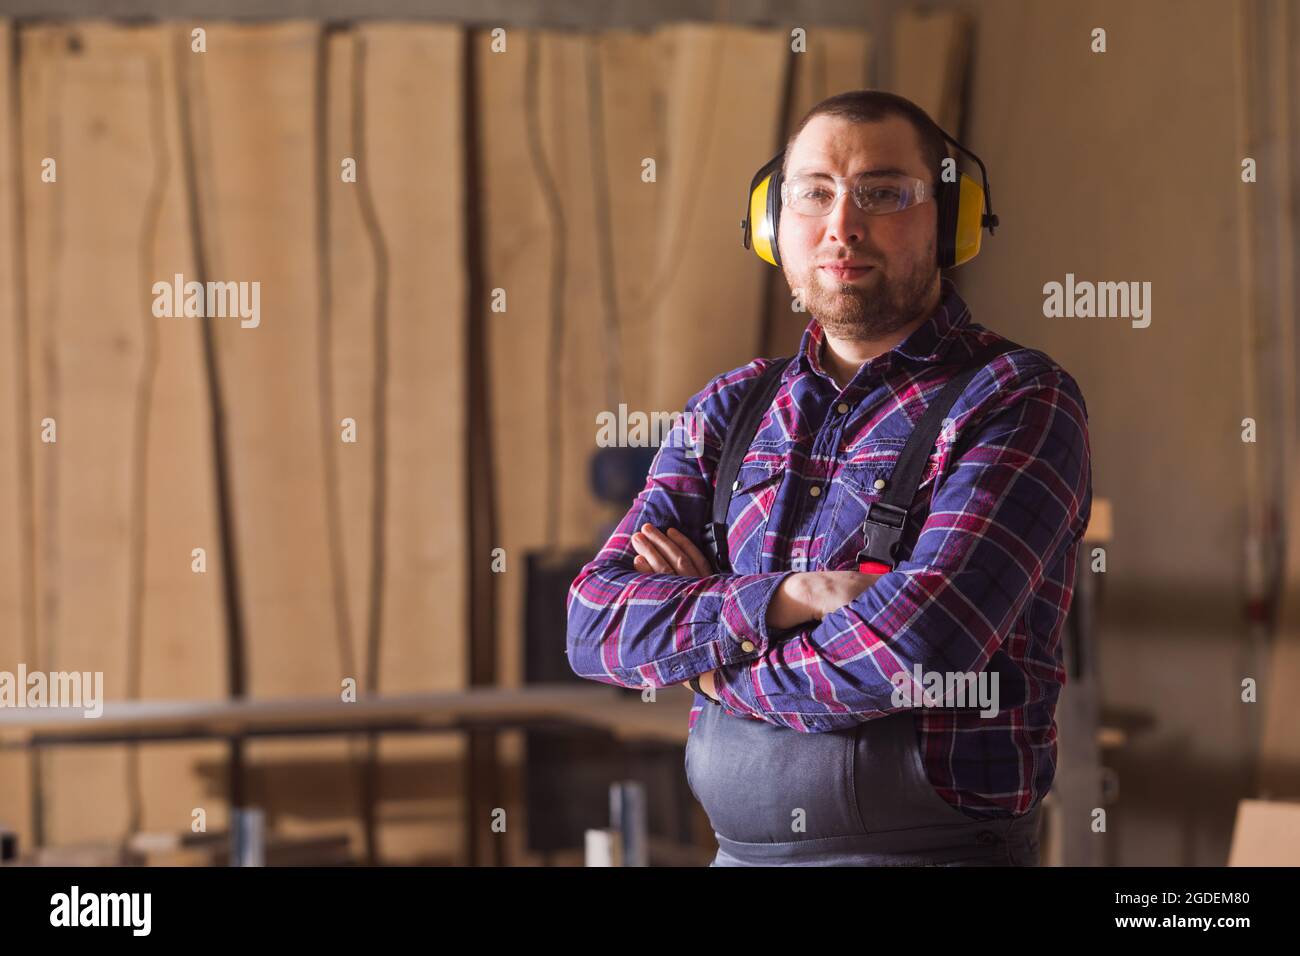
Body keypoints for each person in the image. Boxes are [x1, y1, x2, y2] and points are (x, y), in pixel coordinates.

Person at [566, 90, 1093, 866]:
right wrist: (790, 597)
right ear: (772, 225)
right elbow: (593, 624)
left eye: (882, 193)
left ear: (949, 220)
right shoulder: (730, 406)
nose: (842, 226)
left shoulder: (1016, 398)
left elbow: (918, 649)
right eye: (813, 193)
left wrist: (713, 672)